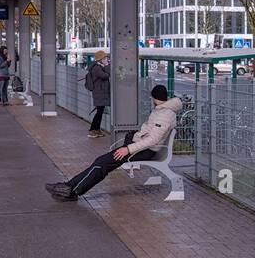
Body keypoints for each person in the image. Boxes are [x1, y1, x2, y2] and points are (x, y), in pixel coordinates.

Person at [46, 84, 183, 201]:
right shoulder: (162, 110)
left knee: (103, 162)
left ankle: (72, 191)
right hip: (143, 149)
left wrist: (128, 149)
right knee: (102, 161)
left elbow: (153, 139)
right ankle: (70, 186)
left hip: (147, 151)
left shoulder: (164, 114)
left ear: (153, 97)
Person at [84, 50, 111, 137]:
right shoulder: (97, 68)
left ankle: (97, 130)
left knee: (100, 111)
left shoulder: (97, 67)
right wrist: (107, 66)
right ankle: (92, 130)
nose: (106, 59)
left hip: (100, 93)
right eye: (105, 58)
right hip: (99, 93)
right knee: (99, 112)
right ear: (101, 59)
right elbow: (106, 75)